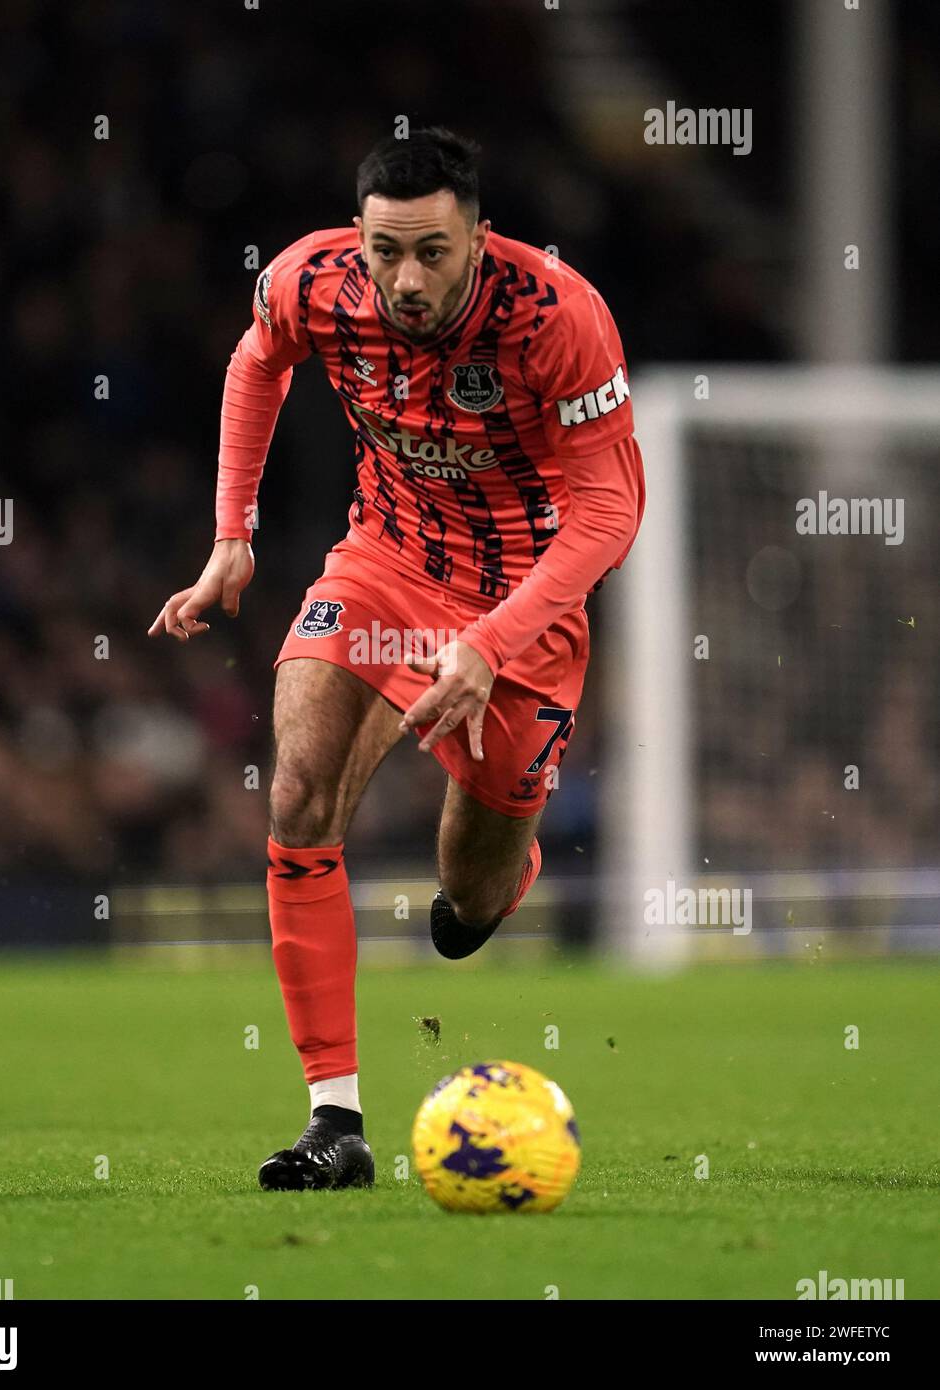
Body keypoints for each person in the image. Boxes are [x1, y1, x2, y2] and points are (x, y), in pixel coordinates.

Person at [149, 127, 645, 1190]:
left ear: (479, 236)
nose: (404, 279)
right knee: (296, 791)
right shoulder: (312, 280)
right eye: (386, 250)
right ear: (359, 235)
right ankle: (337, 1120)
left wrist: (492, 640)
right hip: (387, 565)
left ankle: (501, 879)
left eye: (432, 252)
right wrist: (232, 530)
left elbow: (611, 511)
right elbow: (255, 361)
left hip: (525, 598)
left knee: (466, 900)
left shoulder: (559, 316)